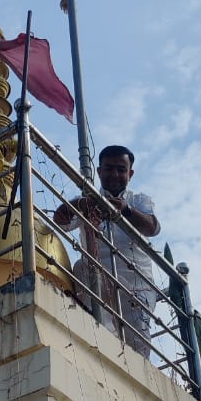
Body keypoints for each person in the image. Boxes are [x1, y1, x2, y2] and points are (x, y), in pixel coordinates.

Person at [54, 144, 161, 357]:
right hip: (97, 280)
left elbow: (152, 228)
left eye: (121, 169)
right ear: (99, 171)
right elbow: (61, 221)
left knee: (137, 348)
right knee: (99, 337)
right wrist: (82, 203)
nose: (115, 174)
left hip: (135, 284)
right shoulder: (88, 201)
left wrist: (125, 211)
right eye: (109, 168)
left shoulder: (138, 201)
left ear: (130, 174)